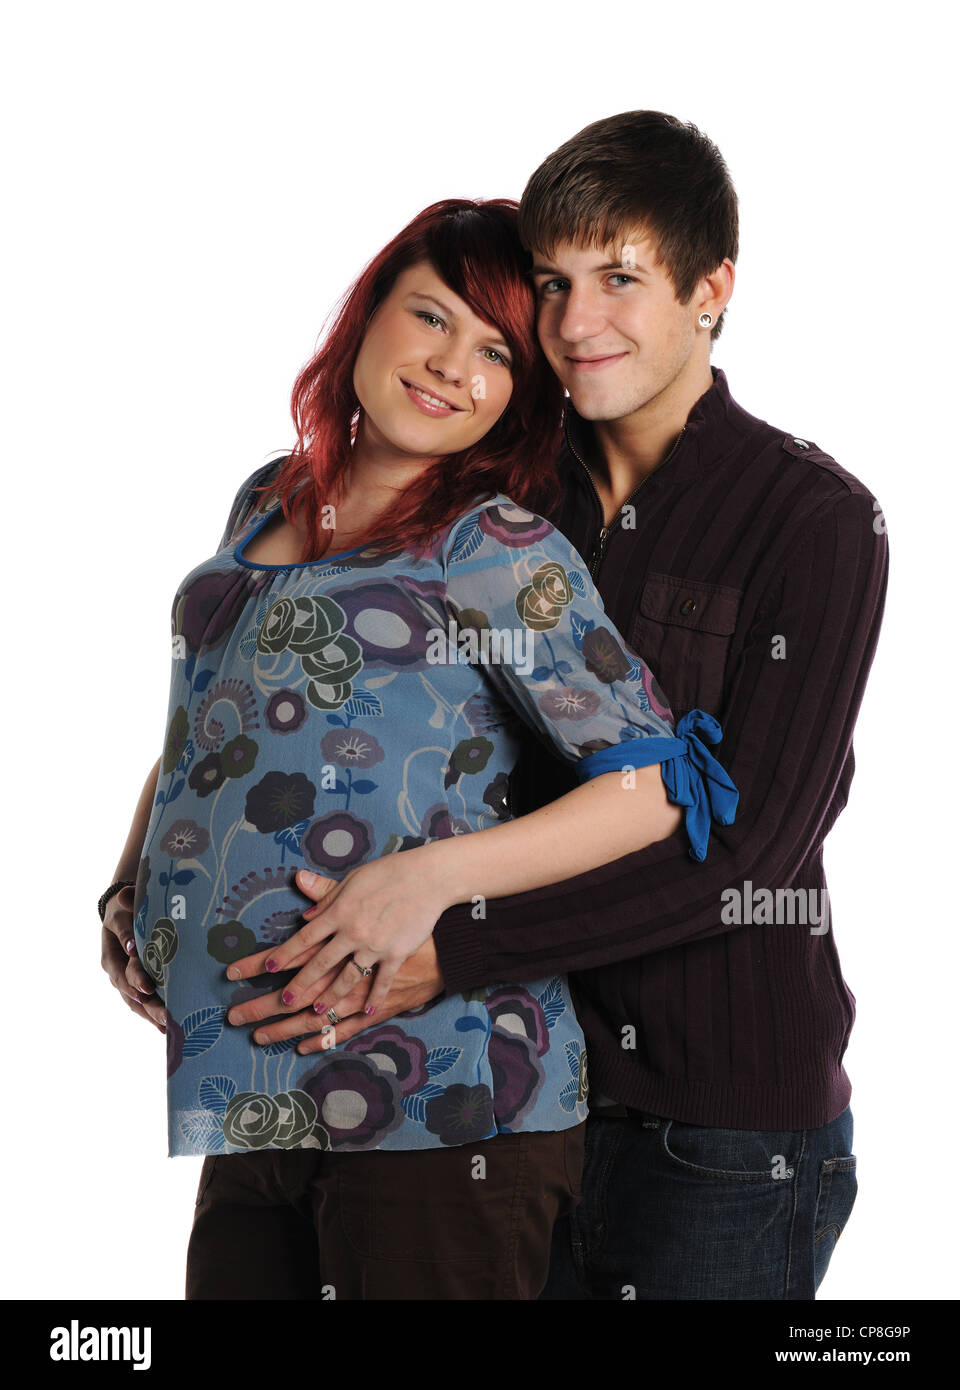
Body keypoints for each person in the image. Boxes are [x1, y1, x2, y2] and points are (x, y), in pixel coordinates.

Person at [264, 111, 890, 1301]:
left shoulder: (813, 520)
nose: (575, 323)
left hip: (721, 1135)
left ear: (712, 289)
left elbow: (744, 845)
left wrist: (452, 945)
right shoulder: (501, 496)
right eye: (552, 284)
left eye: (621, 278)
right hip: (510, 1096)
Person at [99, 195, 738, 1301]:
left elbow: (652, 788)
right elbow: (208, 717)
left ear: (523, 391)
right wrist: (130, 878)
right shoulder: (269, 496)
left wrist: (421, 881)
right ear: (370, 312)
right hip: (254, 1090)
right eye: (432, 317)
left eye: (496, 351)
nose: (452, 366)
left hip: (444, 1104)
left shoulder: (495, 543)